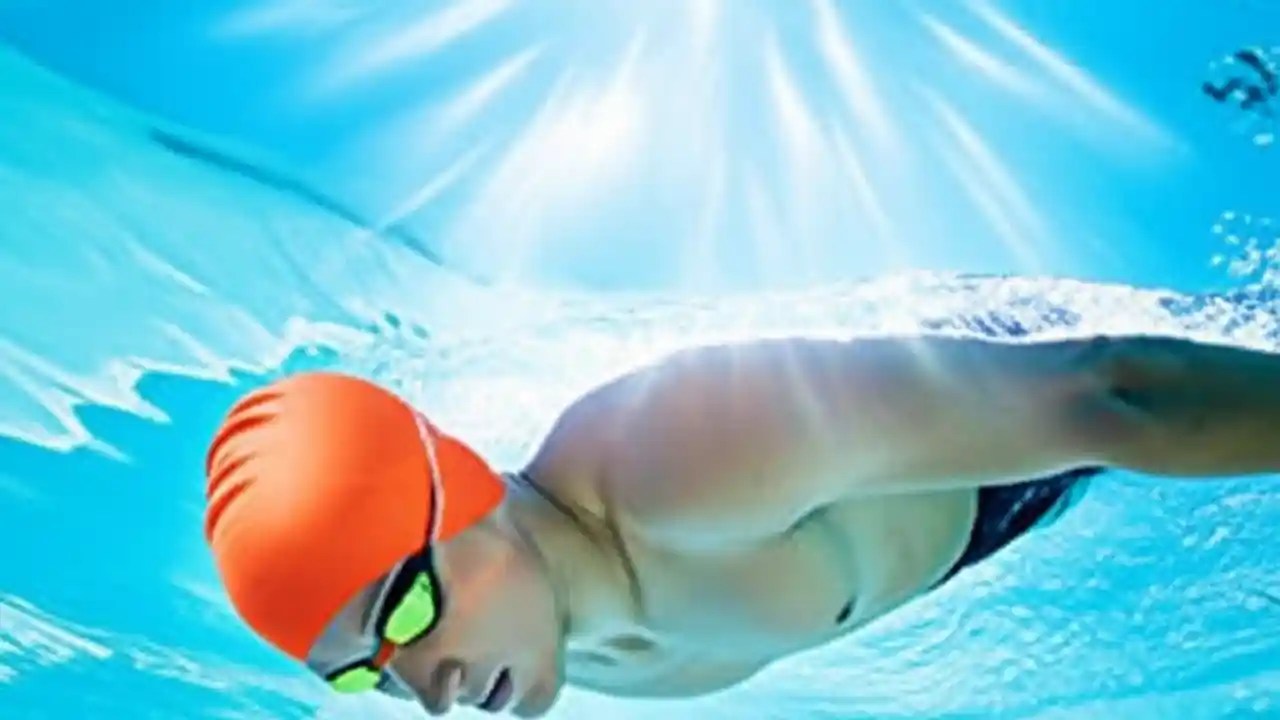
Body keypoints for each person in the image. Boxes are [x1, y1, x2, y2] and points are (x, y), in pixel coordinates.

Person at [204, 332, 1280, 717]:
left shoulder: (676, 463)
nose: (424, 688)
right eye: (363, 674)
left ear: (467, 484)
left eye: (408, 606)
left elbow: (1113, 389)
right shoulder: (565, 648)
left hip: (1003, 389)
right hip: (970, 519)